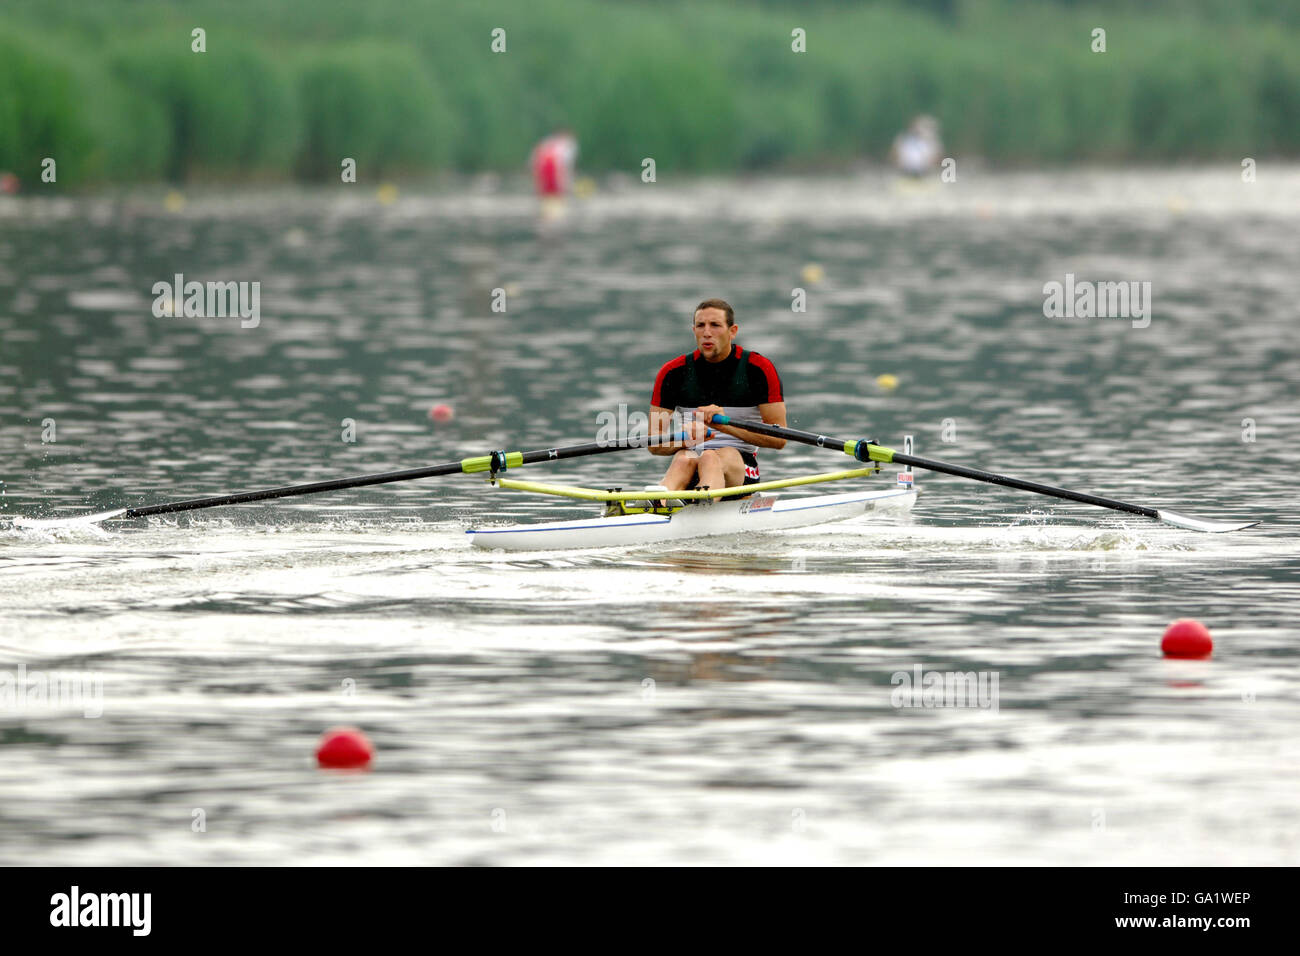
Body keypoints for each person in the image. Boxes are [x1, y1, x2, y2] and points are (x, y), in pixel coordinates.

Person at [648, 298, 786, 495]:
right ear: (693, 330)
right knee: (683, 458)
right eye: (700, 326)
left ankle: (698, 506)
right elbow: (654, 443)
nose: (706, 333)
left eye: (715, 325)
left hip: (740, 467)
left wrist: (725, 427)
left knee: (711, 457)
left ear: (733, 331)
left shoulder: (758, 369)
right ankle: (655, 505)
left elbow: (779, 439)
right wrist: (687, 440)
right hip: (691, 461)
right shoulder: (672, 372)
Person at [530, 129, 579, 197]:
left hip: (542, 168)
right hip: (553, 168)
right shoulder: (568, 143)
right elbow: (565, 165)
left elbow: (534, 161)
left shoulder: (547, 141)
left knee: (547, 194)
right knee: (558, 194)